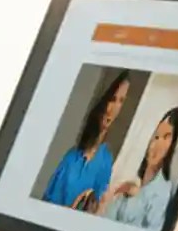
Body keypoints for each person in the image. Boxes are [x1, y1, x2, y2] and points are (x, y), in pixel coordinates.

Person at [41, 69, 131, 211]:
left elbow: (95, 210)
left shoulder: (106, 160)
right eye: (112, 99)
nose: (114, 108)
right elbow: (45, 204)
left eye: (121, 101)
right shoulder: (71, 156)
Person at [96, 107, 178, 230]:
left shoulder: (162, 190)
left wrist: (138, 196)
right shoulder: (133, 183)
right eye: (156, 137)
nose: (156, 145)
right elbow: (108, 217)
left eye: (166, 137)